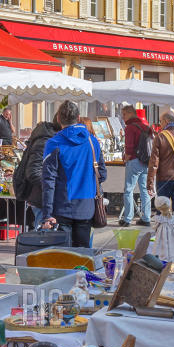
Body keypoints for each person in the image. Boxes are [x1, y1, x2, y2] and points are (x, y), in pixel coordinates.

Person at [39, 100, 107, 248]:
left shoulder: (54, 143)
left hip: (62, 207)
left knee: (63, 259)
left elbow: (48, 181)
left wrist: (47, 214)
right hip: (87, 206)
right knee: (82, 257)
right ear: (78, 117)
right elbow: (102, 173)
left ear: (58, 119)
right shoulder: (92, 141)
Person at [13, 112, 59, 225]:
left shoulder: (49, 138)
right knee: (45, 239)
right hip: (41, 199)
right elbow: (33, 171)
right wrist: (54, 186)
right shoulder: (45, 140)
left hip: (44, 198)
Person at [119, 104, 153, 225]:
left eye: (124, 114)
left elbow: (129, 148)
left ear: (129, 113)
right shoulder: (145, 126)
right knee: (144, 190)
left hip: (134, 160)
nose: (123, 117)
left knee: (128, 190)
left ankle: (127, 218)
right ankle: (146, 218)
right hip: (146, 161)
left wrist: (126, 159)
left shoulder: (130, 128)